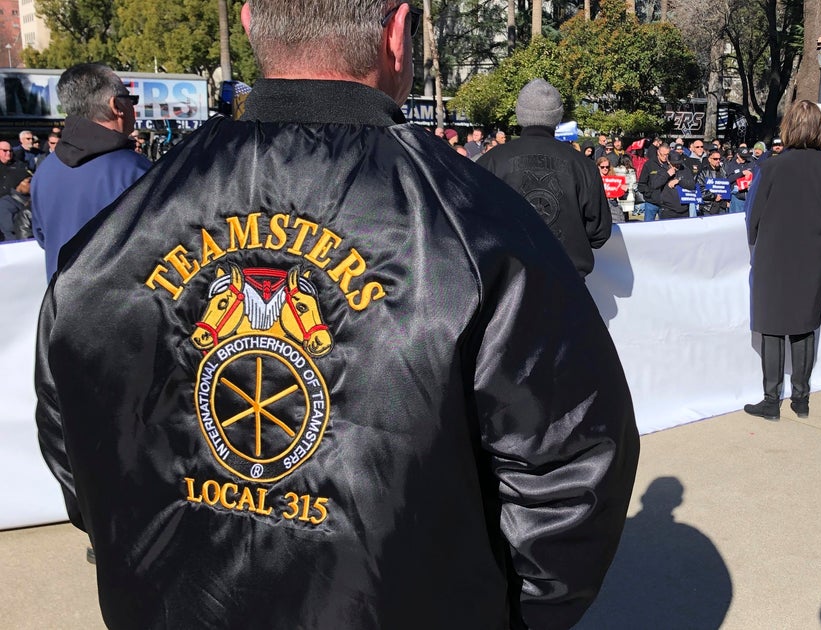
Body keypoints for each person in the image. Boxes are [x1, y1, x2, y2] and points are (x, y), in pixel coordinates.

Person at [34, 3, 639, 628]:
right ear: (397, 33)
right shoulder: (484, 232)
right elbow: (573, 466)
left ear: (247, 24)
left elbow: (71, 438)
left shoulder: (112, 237)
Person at [742, 100, 821, 420]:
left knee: (772, 325)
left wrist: (755, 240)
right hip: (812, 253)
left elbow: (753, 215)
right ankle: (801, 398)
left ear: (789, 127)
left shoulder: (771, 166)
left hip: (774, 252)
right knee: (804, 324)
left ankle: (771, 400)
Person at [478, 79, 612, 277]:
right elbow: (599, 233)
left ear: (519, 113)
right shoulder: (583, 166)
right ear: (557, 116)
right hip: (567, 283)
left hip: (507, 285)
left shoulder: (491, 161)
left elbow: (473, 223)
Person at [30, 63, 151, 281]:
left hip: (61, 308)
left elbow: (42, 238)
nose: (133, 107)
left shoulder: (44, 171)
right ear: (116, 106)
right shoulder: (135, 171)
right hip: (122, 308)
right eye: (130, 100)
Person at [637, 144, 671, 222]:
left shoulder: (671, 164)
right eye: (664, 154)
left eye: (667, 154)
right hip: (651, 202)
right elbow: (642, 184)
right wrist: (649, 194)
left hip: (666, 203)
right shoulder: (649, 164)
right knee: (648, 227)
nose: (665, 157)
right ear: (658, 152)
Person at [0, 170, 32, 241]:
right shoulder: (5, 203)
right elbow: (9, 226)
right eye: (29, 182)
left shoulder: (33, 199)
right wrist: (27, 209)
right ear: (19, 184)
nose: (32, 184)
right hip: (15, 245)